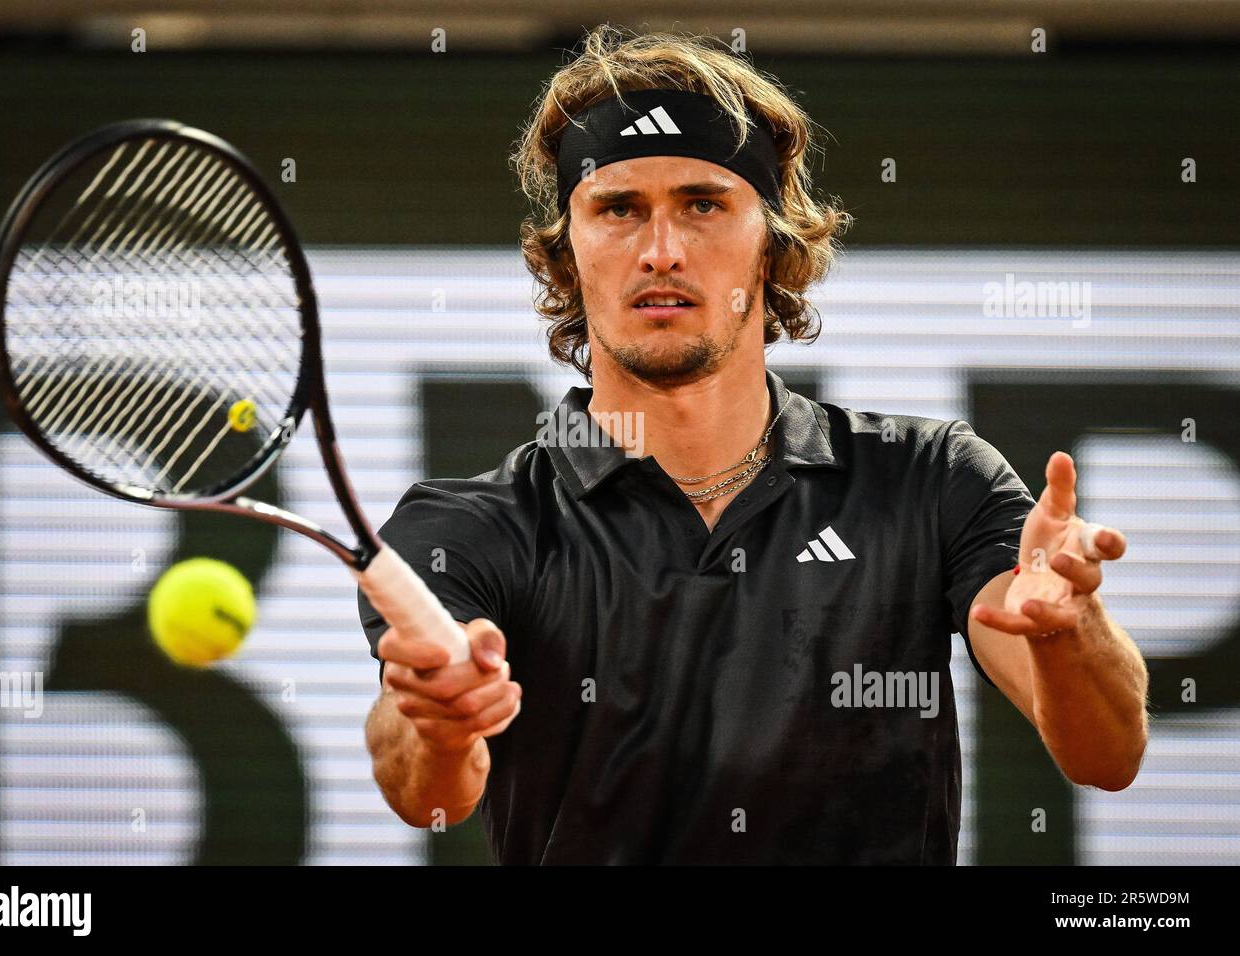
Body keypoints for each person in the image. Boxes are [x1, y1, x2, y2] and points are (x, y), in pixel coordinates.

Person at [358, 25, 1149, 864]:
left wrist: (1068, 630)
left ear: (771, 243)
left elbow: (1108, 755)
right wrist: (440, 723)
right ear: (567, 253)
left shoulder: (934, 479)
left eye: (703, 204)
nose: (660, 251)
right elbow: (426, 793)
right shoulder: (468, 526)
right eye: (618, 209)